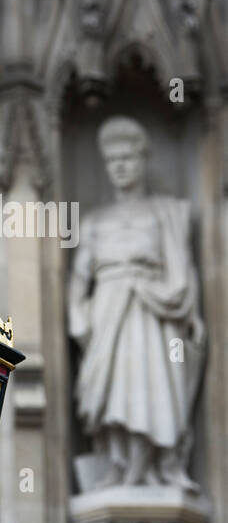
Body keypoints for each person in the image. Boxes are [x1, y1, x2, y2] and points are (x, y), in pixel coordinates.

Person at [68, 116, 203, 489]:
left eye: (127, 158)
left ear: (143, 160)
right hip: (107, 310)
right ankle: (118, 463)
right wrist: (78, 317)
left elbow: (183, 272)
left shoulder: (166, 213)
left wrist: (187, 308)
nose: (120, 167)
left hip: (152, 310)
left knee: (150, 385)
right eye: (113, 161)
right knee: (110, 391)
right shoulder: (96, 221)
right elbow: (80, 279)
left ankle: (146, 468)